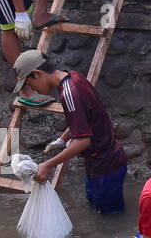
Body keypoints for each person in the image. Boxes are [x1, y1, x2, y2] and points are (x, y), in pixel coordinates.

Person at [13, 50, 129, 214]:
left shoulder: (69, 93)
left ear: (37, 74)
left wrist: (48, 165)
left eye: (30, 85)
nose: (34, 90)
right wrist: (62, 139)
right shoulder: (73, 77)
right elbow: (84, 119)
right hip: (101, 163)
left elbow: (83, 141)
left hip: (105, 166)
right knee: (97, 210)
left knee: (111, 219)